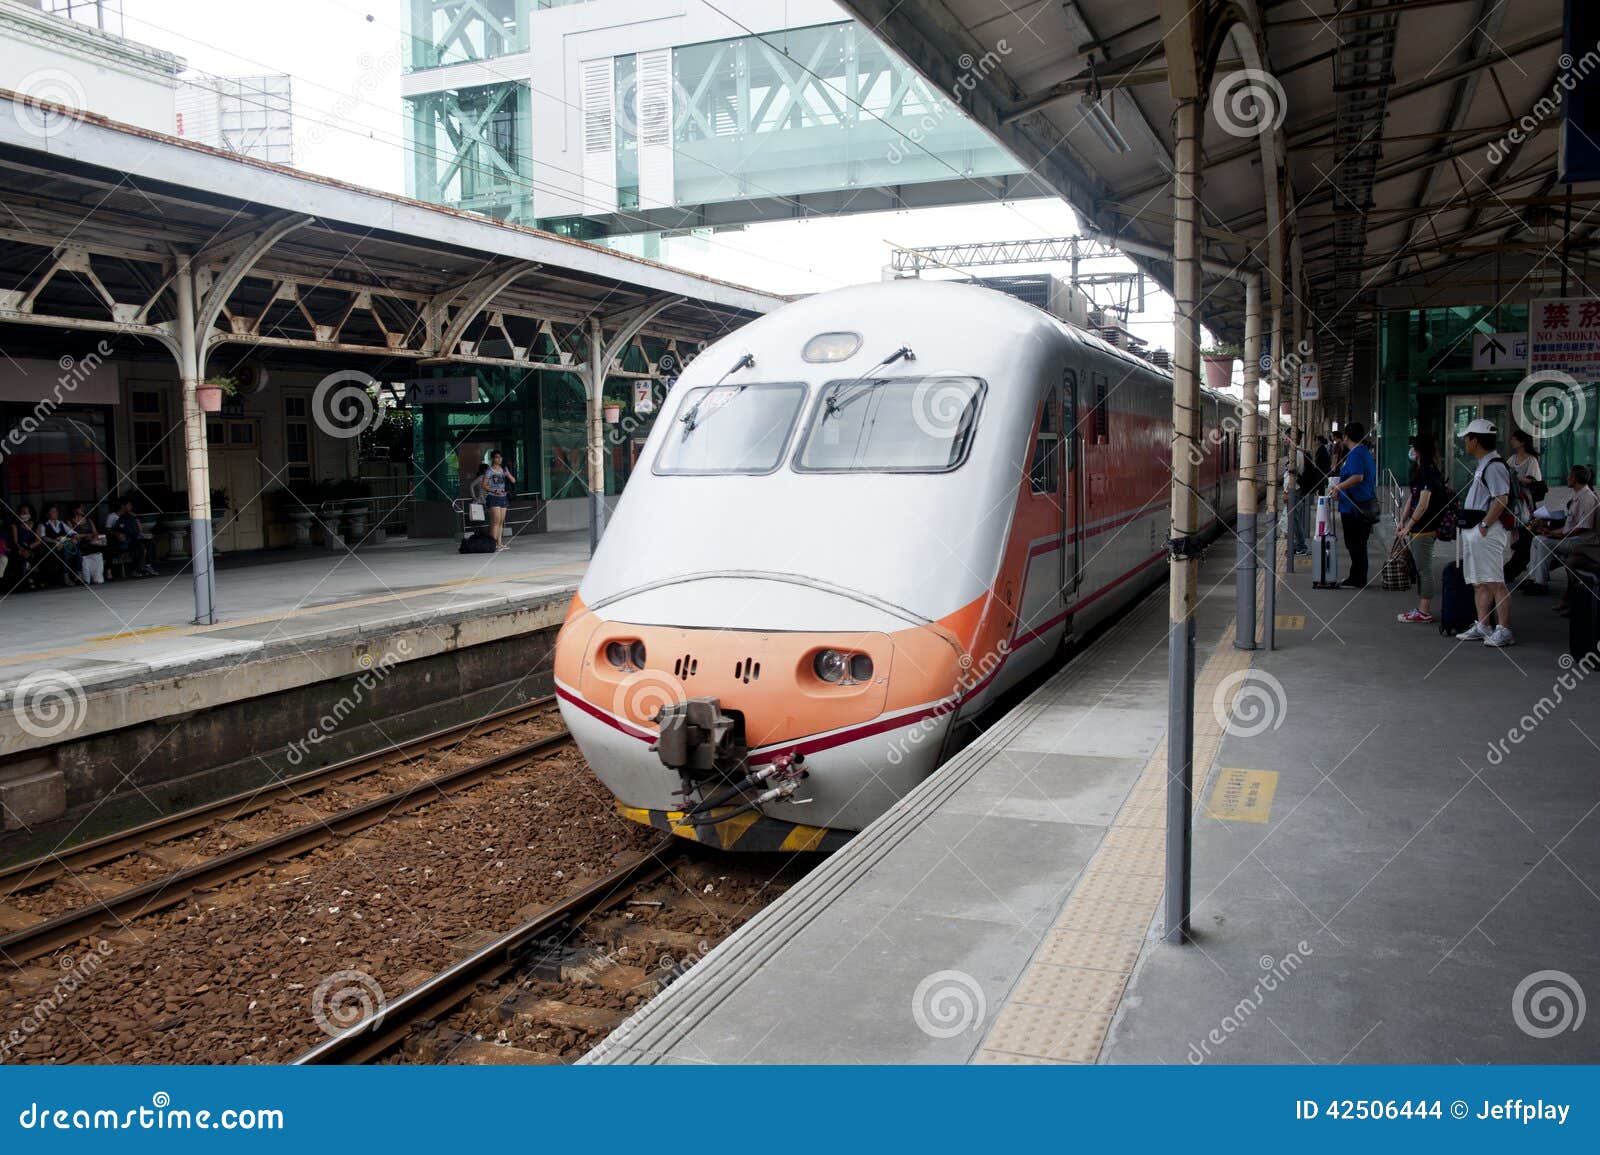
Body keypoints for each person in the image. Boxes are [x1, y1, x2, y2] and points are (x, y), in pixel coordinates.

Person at [1455, 418, 1515, 647]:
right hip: (1477, 529)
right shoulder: (1484, 463)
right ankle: (1483, 625)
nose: (1465, 442)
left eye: (1467, 438)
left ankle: (1504, 629)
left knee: (1495, 581)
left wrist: (1484, 526)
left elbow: (1502, 499)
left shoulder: (1495, 465)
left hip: (1486, 530)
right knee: (1479, 581)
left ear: (1476, 440)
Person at [1529, 465, 1599, 610]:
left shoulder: (1588, 498)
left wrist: (1557, 534)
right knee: (1538, 539)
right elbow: (1570, 525)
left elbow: (1582, 527)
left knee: (1543, 542)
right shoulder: (1578, 496)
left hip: (1583, 541)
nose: (1567, 478)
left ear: (1575, 479)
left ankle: (1540, 583)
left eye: (1569, 476)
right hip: (1573, 537)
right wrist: (1551, 532)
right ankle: (1535, 578)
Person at [1394, 436, 1447, 623]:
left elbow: (1423, 505)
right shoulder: (1420, 471)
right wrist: (1403, 521)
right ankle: (1421, 608)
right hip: (1417, 526)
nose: (1410, 450)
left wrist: (1408, 526)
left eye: (1413, 447)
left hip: (1425, 527)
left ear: (1419, 450)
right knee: (1419, 567)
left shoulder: (1429, 473)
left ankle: (1424, 611)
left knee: (1423, 569)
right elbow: (1412, 498)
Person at [1326, 421, 1377, 588]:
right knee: (1357, 544)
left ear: (1346, 437)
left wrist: (1338, 487)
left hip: (1356, 508)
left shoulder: (1355, 454)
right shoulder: (1363, 452)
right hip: (1359, 504)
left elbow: (1357, 477)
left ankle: (1358, 579)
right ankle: (1356, 577)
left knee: (1355, 544)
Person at [105, 497, 156, 576]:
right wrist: (117, 534)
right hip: (120, 541)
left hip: (131, 539)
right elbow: (108, 530)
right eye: (129, 505)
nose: (131, 507)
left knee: (150, 542)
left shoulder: (130, 516)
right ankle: (138, 569)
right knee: (140, 546)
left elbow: (140, 530)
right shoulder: (113, 516)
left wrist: (135, 518)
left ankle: (147, 566)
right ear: (123, 506)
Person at [38, 503, 81, 586]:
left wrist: (74, 537)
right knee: (65, 552)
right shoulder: (43, 524)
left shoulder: (60, 523)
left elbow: (72, 532)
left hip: (63, 544)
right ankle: (66, 578)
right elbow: (43, 537)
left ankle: (78, 576)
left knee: (77, 552)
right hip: (51, 547)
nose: (56, 513)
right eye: (53, 512)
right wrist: (55, 541)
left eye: (56, 511)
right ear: (47, 514)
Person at [482, 450, 516, 550]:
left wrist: (507, 473)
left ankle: (499, 543)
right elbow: (484, 485)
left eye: (500, 457)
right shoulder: (489, 471)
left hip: (503, 497)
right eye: (497, 457)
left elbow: (513, 480)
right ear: (493, 458)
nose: (499, 459)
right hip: (493, 497)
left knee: (501, 521)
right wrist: (495, 490)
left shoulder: (504, 469)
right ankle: (493, 544)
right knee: (495, 521)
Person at [1284, 428, 1310, 556]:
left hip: (1296, 489)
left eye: (1287, 437)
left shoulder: (1296, 454)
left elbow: (1293, 475)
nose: (1285, 439)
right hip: (1296, 489)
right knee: (1294, 518)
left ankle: (1300, 545)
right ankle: (1296, 544)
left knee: (1295, 519)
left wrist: (1287, 491)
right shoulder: (1296, 452)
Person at [9, 505, 43, 590]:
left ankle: (34, 579)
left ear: (30, 514)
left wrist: (29, 548)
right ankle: (28, 580)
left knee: (36, 555)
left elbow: (38, 541)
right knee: (22, 557)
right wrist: (22, 549)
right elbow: (15, 541)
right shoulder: (15, 525)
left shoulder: (37, 524)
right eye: (21, 513)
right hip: (21, 547)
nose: (23, 514)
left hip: (33, 547)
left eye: (25, 512)